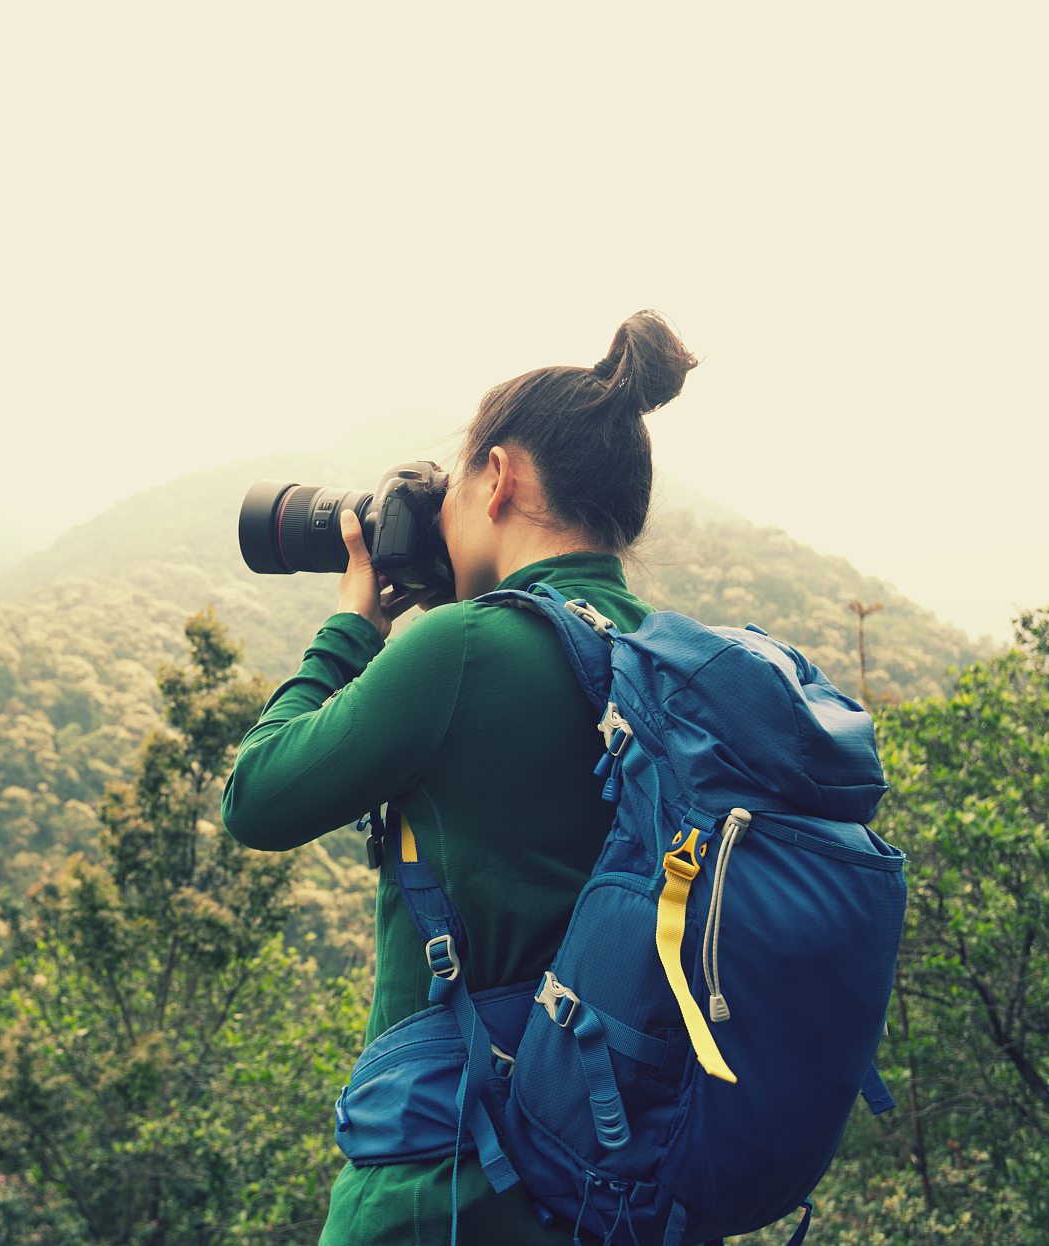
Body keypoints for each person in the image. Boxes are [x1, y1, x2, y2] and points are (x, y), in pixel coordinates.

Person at [220, 312, 700, 1244]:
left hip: (442, 1191)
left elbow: (256, 797)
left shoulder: (461, 650)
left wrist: (354, 626)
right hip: (621, 1193)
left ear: (500, 476)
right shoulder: (668, 659)